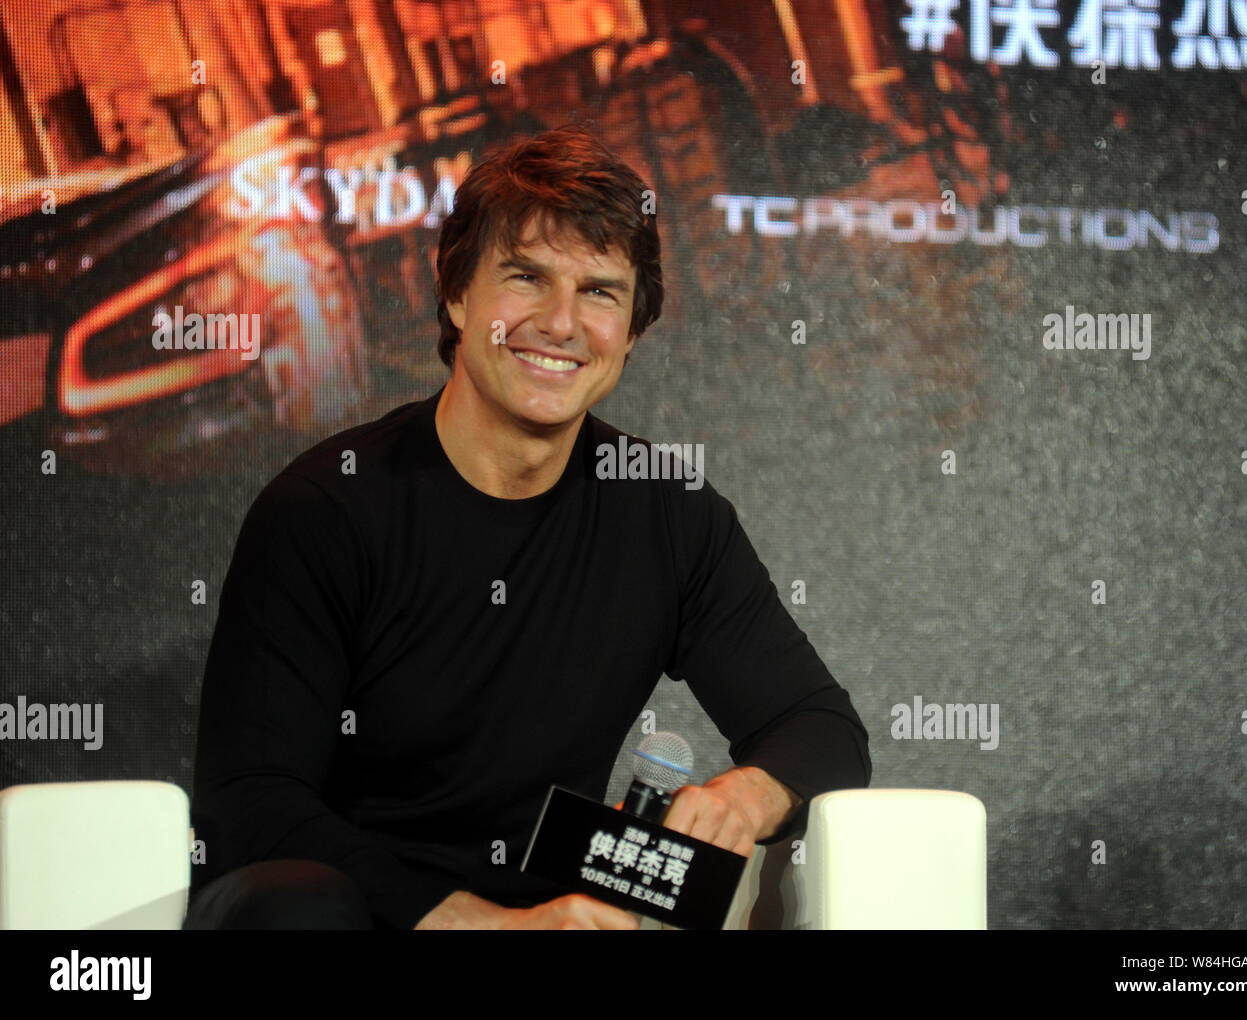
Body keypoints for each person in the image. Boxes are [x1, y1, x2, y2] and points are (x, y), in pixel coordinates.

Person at [186, 123, 871, 930]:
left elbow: (823, 728)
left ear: (632, 328)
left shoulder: (665, 509)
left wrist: (744, 795)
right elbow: (251, 802)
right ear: (455, 293)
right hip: (355, 914)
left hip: (558, 910)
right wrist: (479, 926)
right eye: (525, 277)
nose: (561, 322)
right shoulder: (325, 509)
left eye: (600, 291)